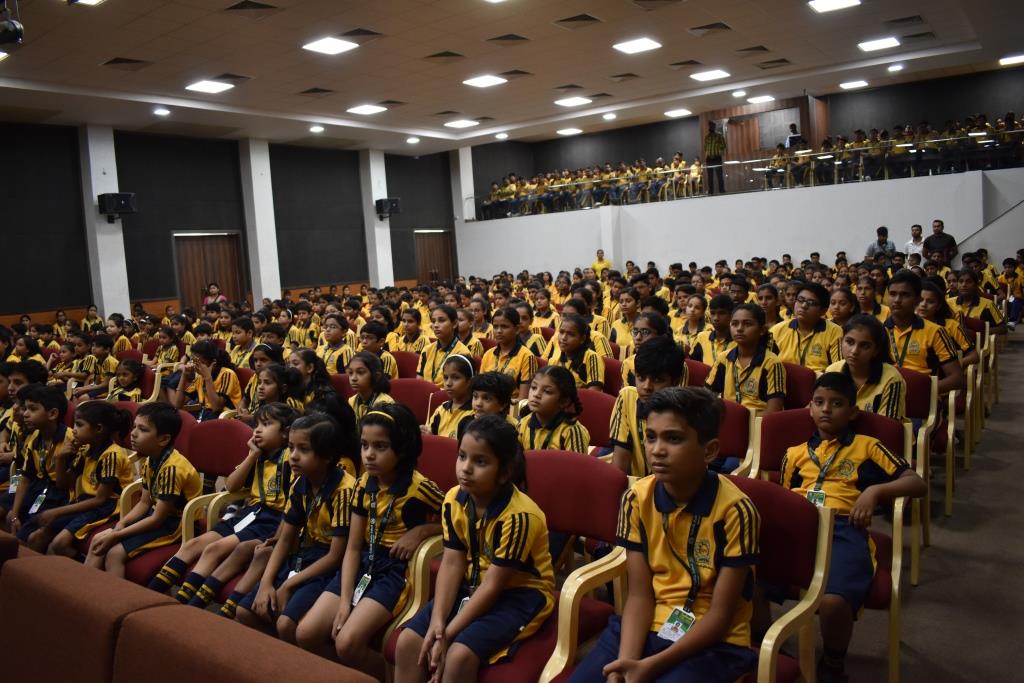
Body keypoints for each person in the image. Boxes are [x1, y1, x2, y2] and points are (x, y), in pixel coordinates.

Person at [570, 387, 761, 683]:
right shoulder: (636, 499)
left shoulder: (736, 511)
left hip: (714, 642)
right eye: (651, 437)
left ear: (709, 450)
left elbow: (720, 616)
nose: (657, 449)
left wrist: (651, 667)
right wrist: (628, 663)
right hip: (645, 623)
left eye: (673, 439)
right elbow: (638, 596)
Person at [774, 372, 926, 683]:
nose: (826, 410)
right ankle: (770, 652)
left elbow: (916, 482)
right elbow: (783, 495)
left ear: (852, 411)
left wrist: (875, 492)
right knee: (748, 579)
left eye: (836, 403)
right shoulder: (794, 453)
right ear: (810, 408)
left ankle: (832, 663)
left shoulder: (868, 446)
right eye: (819, 402)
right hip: (799, 527)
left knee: (833, 603)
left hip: (844, 528)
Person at [394, 415, 555, 683]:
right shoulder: (453, 499)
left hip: (520, 594)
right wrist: (437, 623)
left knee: (458, 656)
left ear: (504, 473)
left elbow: (494, 585)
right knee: (408, 643)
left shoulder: (520, 516)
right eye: (462, 456)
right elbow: (453, 563)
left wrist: (448, 633)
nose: (465, 469)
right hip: (473, 583)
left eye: (480, 462)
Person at [296, 404, 443, 679]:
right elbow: (352, 547)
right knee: (306, 634)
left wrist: (421, 531)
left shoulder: (420, 488)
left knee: (347, 643)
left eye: (380, 446)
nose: (369, 454)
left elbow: (455, 522)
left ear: (402, 448)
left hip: (395, 571)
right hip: (364, 559)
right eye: (364, 445)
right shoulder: (364, 483)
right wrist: (344, 602)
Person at [149, 402, 300, 606]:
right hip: (249, 514)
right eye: (256, 425)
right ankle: (151, 597)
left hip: (271, 520)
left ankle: (182, 606)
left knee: (214, 549)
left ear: (285, 433)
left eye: (266, 425)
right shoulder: (259, 455)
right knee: (193, 544)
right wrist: (252, 455)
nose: (257, 430)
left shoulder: (290, 460)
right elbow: (231, 485)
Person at [235, 412, 358, 642]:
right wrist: (266, 583)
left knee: (286, 624)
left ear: (328, 456)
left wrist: (289, 584)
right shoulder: (300, 483)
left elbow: (335, 556)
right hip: (302, 555)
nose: (293, 456)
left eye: (304, 449)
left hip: (329, 566)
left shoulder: (344, 491)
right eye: (291, 447)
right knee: (245, 612)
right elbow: (284, 540)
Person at [86, 403, 201, 577]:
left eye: (143, 429)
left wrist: (118, 535)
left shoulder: (172, 469)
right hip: (157, 516)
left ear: (163, 439)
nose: (133, 433)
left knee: (114, 553)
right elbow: (144, 502)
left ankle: (113, 602)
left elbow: (157, 519)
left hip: (177, 525)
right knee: (99, 540)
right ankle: (85, 592)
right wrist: (122, 524)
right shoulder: (151, 459)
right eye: (134, 427)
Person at [5, 384, 76, 541]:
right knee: (10, 517)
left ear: (52, 414)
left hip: (60, 495)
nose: (25, 414)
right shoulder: (35, 437)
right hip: (39, 487)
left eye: (32, 409)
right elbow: (25, 478)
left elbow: (64, 485)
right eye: (26, 408)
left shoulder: (70, 440)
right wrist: (15, 513)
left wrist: (60, 460)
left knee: (27, 537)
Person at [609, 336, 685, 477]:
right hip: (637, 487)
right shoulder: (627, 398)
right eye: (641, 378)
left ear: (675, 381)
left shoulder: (687, 411)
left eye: (657, 380)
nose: (646, 387)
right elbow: (621, 463)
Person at [884, 271, 963, 394]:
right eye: (892, 294)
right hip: (888, 393)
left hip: (921, 395)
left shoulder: (936, 331)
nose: (897, 300)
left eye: (905, 295)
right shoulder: (879, 330)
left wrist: (922, 391)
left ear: (917, 299)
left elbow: (957, 378)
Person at [707, 304, 786, 415]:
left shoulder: (772, 363)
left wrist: (742, 421)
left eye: (747, 324)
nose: (739, 329)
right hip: (728, 418)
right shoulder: (724, 358)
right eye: (734, 324)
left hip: (757, 424)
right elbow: (707, 395)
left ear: (762, 330)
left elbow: (774, 411)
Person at [825, 315, 906, 419]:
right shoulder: (832, 371)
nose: (854, 351)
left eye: (864, 346)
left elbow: (888, 428)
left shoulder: (892, 379)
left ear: (876, 350)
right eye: (849, 342)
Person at [770, 282, 842, 373]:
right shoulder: (777, 330)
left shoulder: (834, 331)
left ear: (823, 311)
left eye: (811, 303)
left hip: (818, 384)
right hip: (784, 382)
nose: (803, 306)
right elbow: (766, 364)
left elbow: (838, 369)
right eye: (800, 300)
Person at [517, 366, 590, 454]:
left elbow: (578, 466)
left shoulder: (572, 431)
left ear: (564, 401)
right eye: (533, 387)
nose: (536, 394)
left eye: (547, 391)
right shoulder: (523, 424)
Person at [170, 339, 242, 421]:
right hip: (205, 415)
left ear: (213, 363)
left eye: (200, 362)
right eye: (194, 361)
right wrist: (184, 376)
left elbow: (216, 408)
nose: (195, 366)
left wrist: (208, 378)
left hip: (225, 418)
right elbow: (177, 404)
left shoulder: (227, 374)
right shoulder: (200, 377)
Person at [479, 307, 537, 399]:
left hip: (511, 409)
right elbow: (480, 389)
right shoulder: (488, 354)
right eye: (495, 327)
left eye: (504, 326)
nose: (498, 331)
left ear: (517, 329)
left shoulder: (527, 356)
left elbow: (523, 400)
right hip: (487, 405)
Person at [418, 306, 472, 388]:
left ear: (454, 324)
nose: (435, 325)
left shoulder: (462, 353)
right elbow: (419, 380)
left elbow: (461, 388)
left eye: (441, 320)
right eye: (433, 321)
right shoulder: (427, 350)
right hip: (425, 395)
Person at [547, 314, 604, 390]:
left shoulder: (591, 357)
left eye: (571, 334)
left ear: (582, 339)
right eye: (561, 332)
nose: (563, 338)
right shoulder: (553, 361)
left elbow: (594, 394)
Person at [426, 355, 475, 440]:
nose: (448, 383)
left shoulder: (475, 413)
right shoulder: (441, 410)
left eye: (456, 378)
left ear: (469, 382)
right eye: (445, 377)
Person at [347, 352, 395, 422]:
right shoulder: (351, 401)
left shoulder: (385, 403)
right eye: (350, 373)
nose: (353, 378)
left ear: (376, 376)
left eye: (360, 372)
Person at [703, 121, 727, 195]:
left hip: (717, 157)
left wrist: (718, 149)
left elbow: (724, 145)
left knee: (719, 175)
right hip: (709, 158)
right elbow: (705, 148)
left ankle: (722, 190)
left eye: (712, 126)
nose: (711, 127)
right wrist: (707, 155)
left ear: (714, 126)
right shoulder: (706, 137)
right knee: (710, 176)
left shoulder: (719, 136)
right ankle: (711, 192)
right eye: (710, 126)